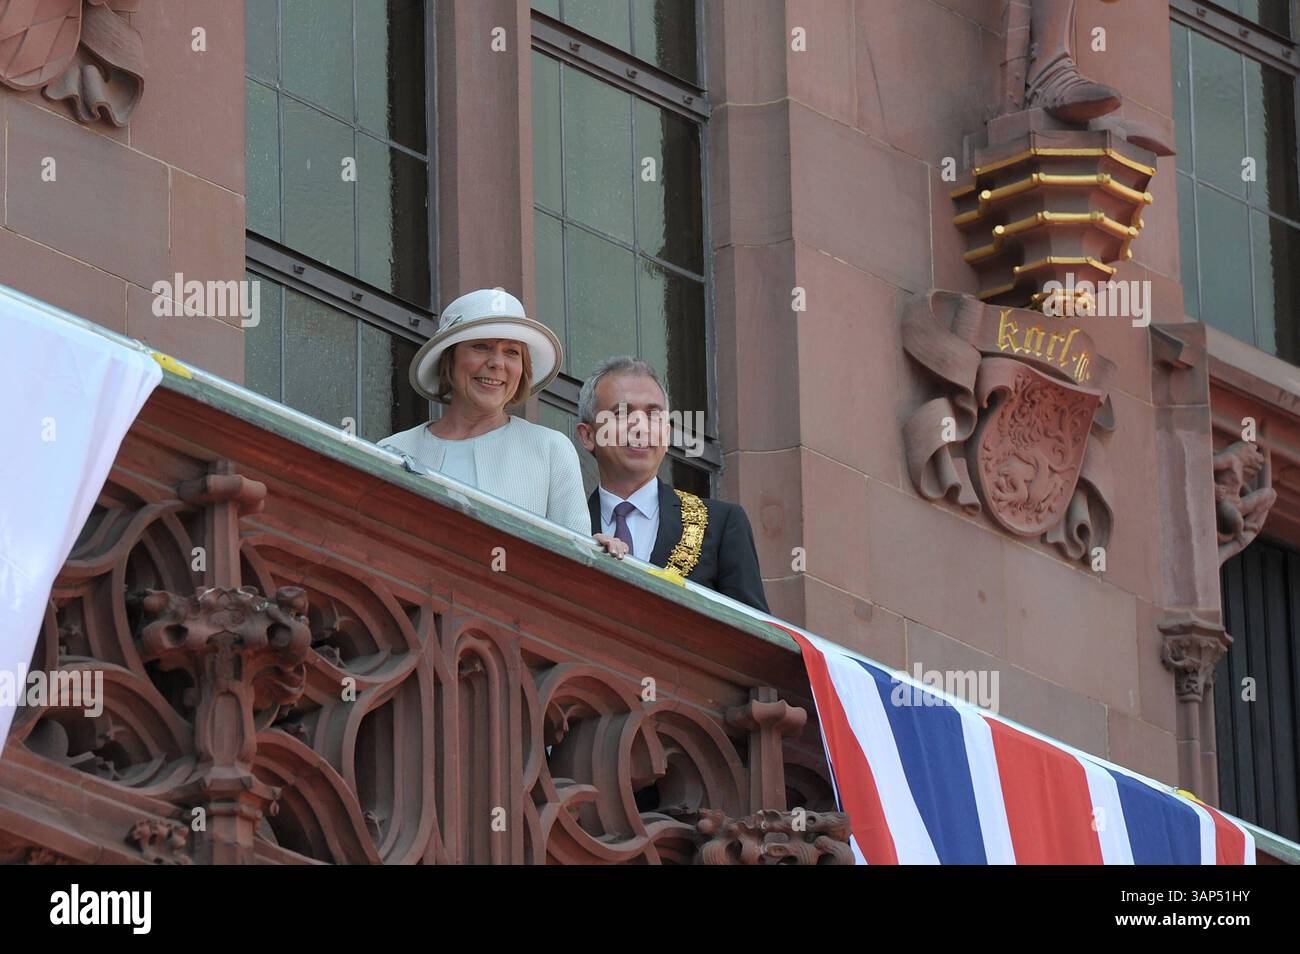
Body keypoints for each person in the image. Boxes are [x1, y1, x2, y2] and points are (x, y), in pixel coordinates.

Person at [381, 289, 628, 558]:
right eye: (481, 346)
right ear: (449, 359)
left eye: (511, 352)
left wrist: (595, 552)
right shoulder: (393, 450)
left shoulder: (551, 449)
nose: (497, 363)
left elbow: (574, 560)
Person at [575, 357, 769, 611]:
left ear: (666, 435)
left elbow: (753, 629)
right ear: (588, 436)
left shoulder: (720, 524)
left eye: (653, 415)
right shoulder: (567, 526)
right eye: (622, 413)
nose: (640, 427)